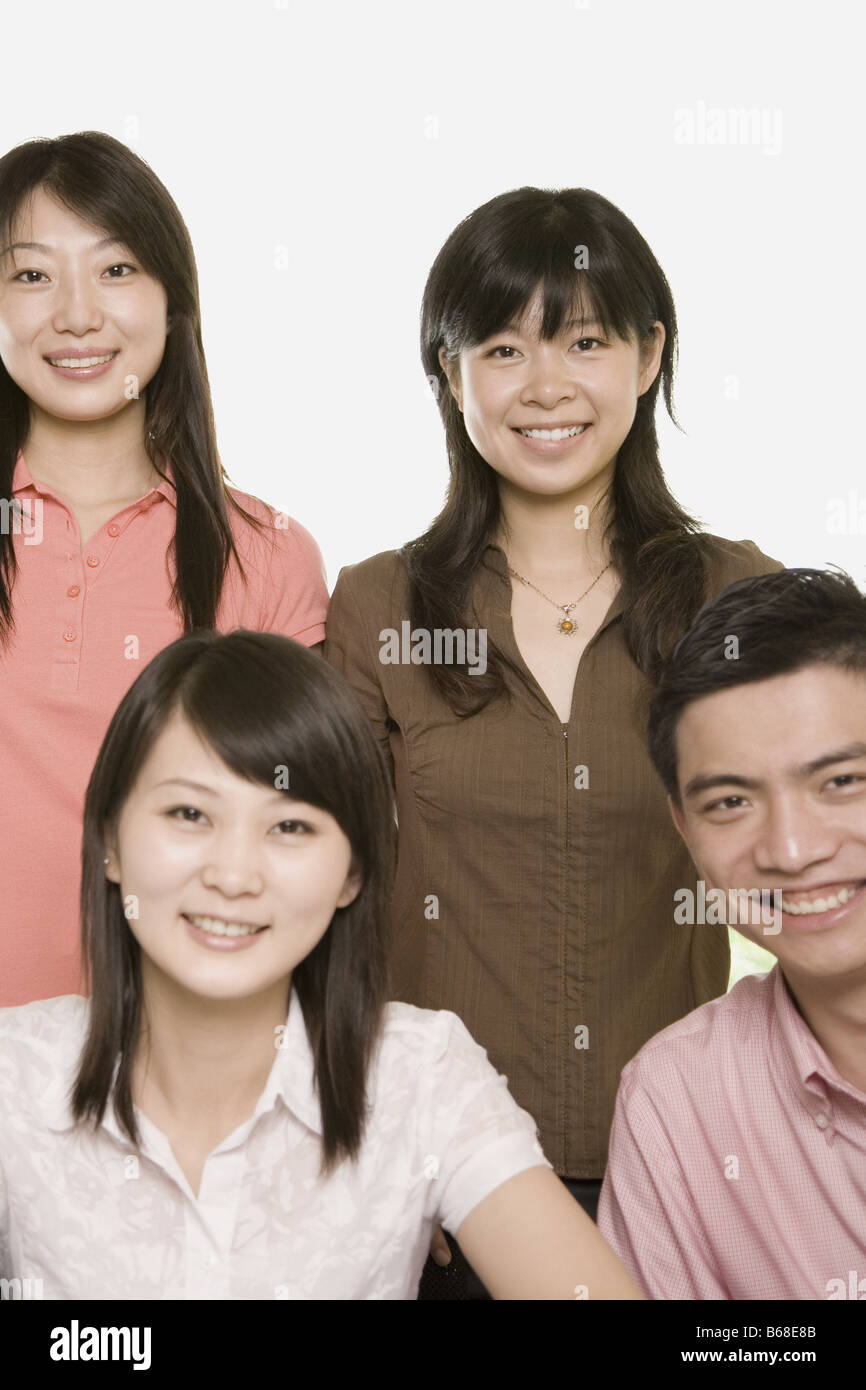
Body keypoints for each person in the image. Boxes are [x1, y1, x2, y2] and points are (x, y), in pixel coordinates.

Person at [323, 186, 783, 1294]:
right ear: (449, 373)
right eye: (499, 346)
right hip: (445, 1180)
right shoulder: (377, 604)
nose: (543, 386)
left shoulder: (741, 598)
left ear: (646, 354)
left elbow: (815, 859)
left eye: (583, 340)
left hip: (682, 1161)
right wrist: (376, 1138)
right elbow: (321, 895)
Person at [0, 630, 642, 1301]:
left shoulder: (421, 1076)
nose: (234, 875)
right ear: (109, 842)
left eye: (290, 828)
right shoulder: (14, 1073)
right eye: (189, 813)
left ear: (352, 874)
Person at [0, 133, 327, 1006]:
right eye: (31, 275)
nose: (75, 315)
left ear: (174, 301)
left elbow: (298, 835)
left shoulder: (267, 553)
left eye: (116, 271)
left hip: (175, 1069)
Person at [598, 567, 866, 1300]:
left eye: (841, 781)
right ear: (684, 830)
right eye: (729, 802)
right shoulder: (678, 1098)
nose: (790, 849)